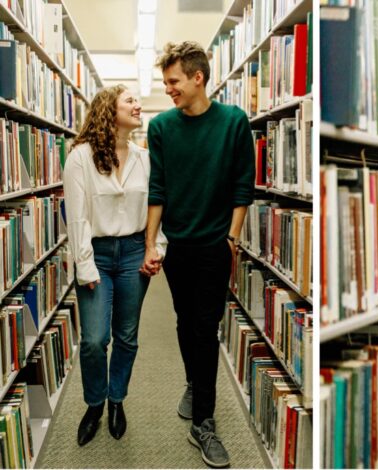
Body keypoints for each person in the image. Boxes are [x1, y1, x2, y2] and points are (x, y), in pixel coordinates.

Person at [145, 41, 254, 468]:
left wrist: (231, 237)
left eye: (172, 81)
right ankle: (194, 381)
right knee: (185, 321)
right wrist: (151, 243)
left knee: (205, 329)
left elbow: (243, 185)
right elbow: (159, 190)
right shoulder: (161, 128)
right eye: (165, 82)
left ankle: (203, 424)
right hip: (178, 247)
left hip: (214, 245)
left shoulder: (233, 122)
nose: (168, 89)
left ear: (197, 77)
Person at [64, 85, 165, 446]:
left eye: (137, 101)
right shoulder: (81, 156)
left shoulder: (144, 156)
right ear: (109, 110)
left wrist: (158, 248)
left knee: (126, 336)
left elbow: (158, 206)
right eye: (130, 101)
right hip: (97, 253)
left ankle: (116, 400)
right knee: (94, 339)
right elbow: (76, 217)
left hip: (135, 252)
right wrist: (85, 267)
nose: (138, 105)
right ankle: (94, 403)